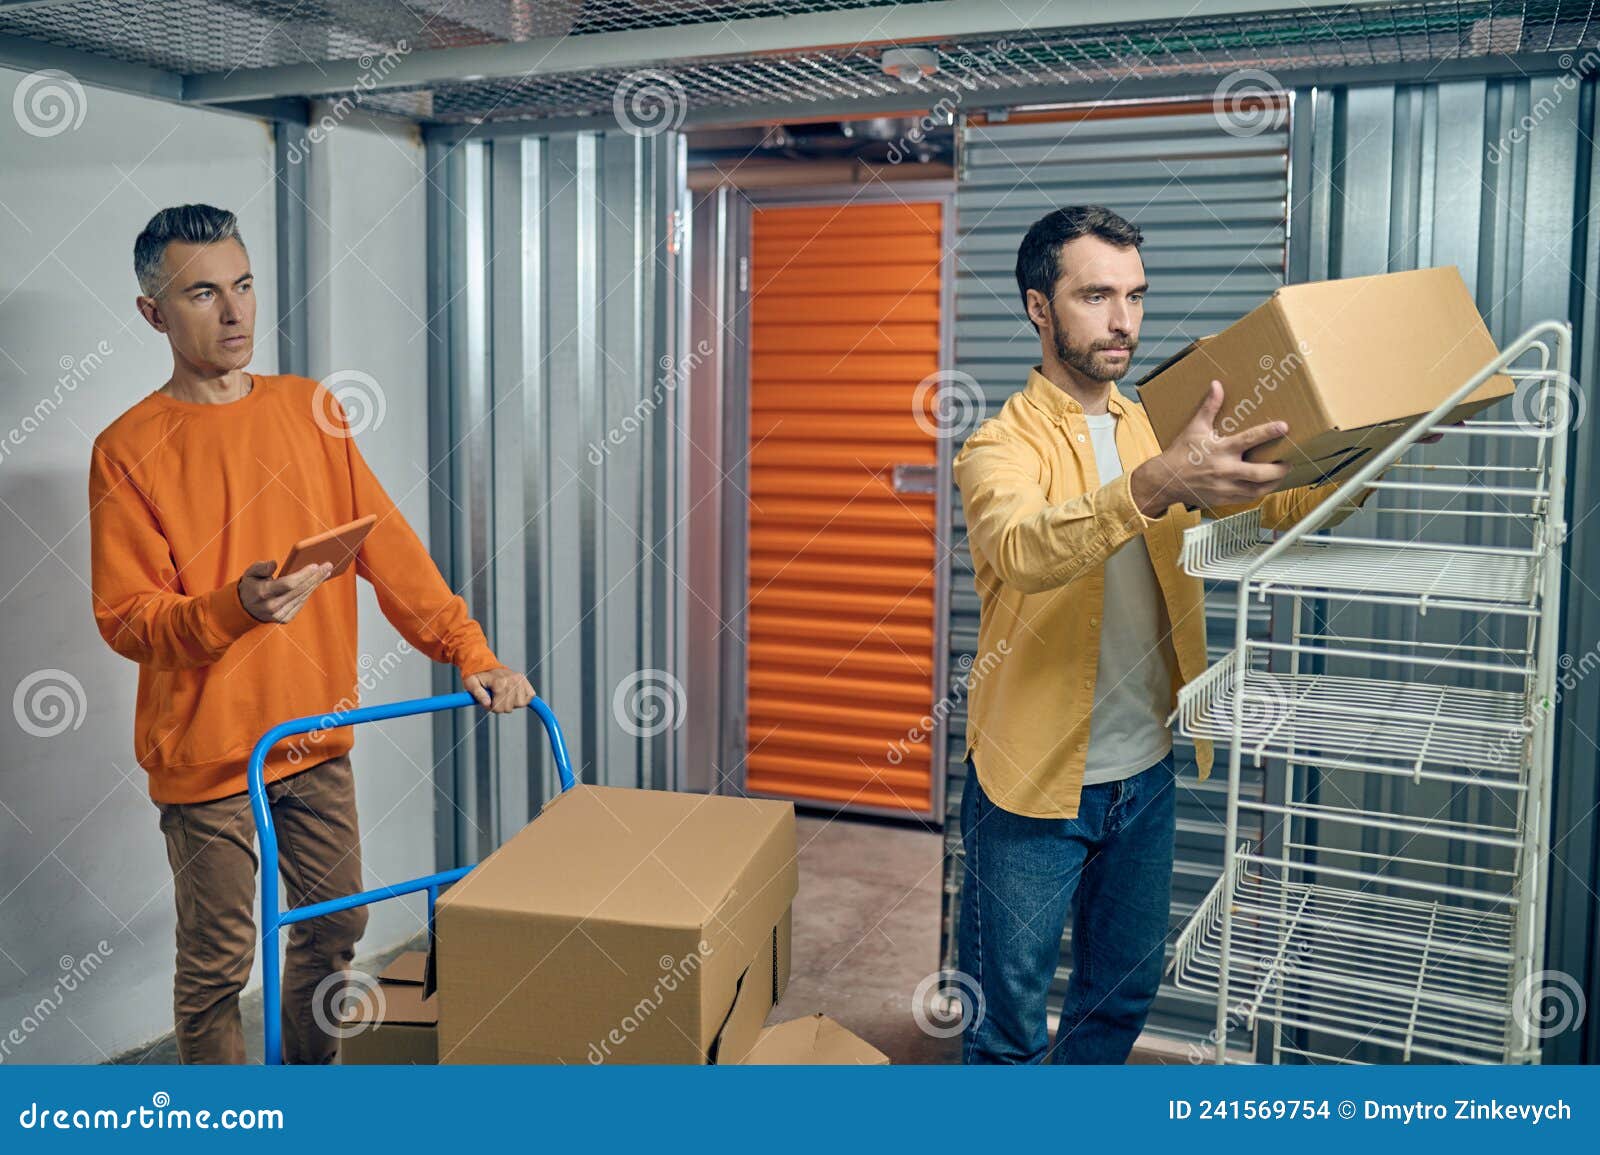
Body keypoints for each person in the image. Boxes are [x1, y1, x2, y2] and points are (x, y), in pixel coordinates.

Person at [88, 204, 534, 1063]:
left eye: (245, 286)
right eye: (203, 293)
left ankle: (306, 1095)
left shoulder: (310, 409)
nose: (235, 313)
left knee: (336, 930)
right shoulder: (127, 448)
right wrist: (235, 608)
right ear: (153, 314)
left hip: (313, 738)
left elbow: (390, 551)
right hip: (210, 754)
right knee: (218, 963)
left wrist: (470, 651)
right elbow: (128, 619)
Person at [951, 205, 1377, 1064]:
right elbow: (1024, 546)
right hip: (1030, 786)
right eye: (1097, 296)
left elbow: (1271, 503)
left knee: (1121, 997)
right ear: (1040, 307)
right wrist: (1153, 484)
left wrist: (1372, 450)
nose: (1124, 322)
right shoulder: (999, 445)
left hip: (1143, 776)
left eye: (1137, 298)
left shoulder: (1160, 425)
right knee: (1006, 1027)